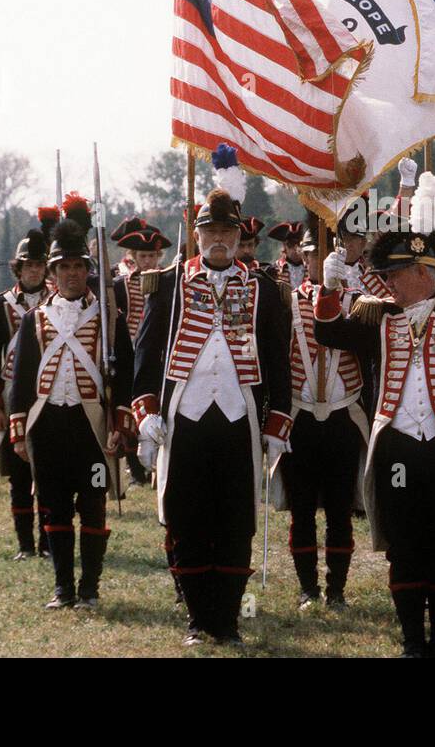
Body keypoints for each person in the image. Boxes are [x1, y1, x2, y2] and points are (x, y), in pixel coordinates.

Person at [315, 172, 435, 657]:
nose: (388, 286)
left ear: (424, 272)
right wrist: (329, 287)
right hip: (397, 446)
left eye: (395, 277)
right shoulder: (379, 317)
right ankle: (410, 641)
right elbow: (328, 335)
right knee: (404, 546)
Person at [132, 184, 292, 646]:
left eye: (226, 230)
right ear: (196, 235)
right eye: (210, 231)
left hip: (239, 420)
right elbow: (145, 358)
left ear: (238, 235)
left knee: (235, 519)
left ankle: (229, 621)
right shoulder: (167, 285)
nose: (218, 239)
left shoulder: (262, 288)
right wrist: (145, 413)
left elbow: (279, 362)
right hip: (186, 418)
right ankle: (199, 621)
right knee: (187, 517)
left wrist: (277, 422)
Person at [8, 208, 135, 611]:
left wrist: (121, 421)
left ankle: (90, 588)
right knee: (54, 507)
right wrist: (18, 428)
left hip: (90, 428)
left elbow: (126, 375)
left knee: (94, 503)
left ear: (87, 270)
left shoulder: (109, 318)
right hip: (47, 426)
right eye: (64, 267)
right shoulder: (35, 320)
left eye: (79, 266)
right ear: (52, 272)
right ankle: (63, 587)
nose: (72, 274)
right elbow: (23, 377)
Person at [272, 221, 370, 610]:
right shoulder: (287, 301)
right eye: (309, 254)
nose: (314, 260)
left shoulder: (358, 300)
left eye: (322, 254)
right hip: (301, 413)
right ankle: (307, 588)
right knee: (302, 510)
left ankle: (337, 590)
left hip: (344, 413)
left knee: (340, 509)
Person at [0, 213, 56, 560]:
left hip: (51, 390)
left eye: (41, 265)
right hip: (14, 393)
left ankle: (48, 542)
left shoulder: (59, 301)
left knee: (48, 469)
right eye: (28, 265)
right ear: (18, 267)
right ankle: (25, 544)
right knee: (18, 470)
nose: (34, 271)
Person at [110, 216, 173, 489]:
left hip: (161, 355)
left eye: (152, 256)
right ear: (133, 257)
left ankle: (161, 467)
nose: (148, 261)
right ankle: (136, 470)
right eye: (143, 256)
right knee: (132, 412)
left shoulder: (169, 282)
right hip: (132, 354)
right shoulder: (119, 286)